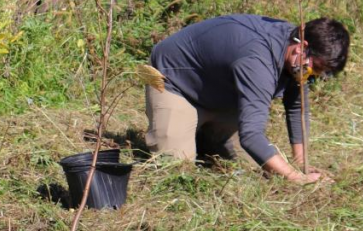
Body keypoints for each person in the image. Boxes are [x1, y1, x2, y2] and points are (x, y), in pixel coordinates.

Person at [141, 14, 350, 183]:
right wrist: (295, 178)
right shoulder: (258, 59)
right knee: (177, 172)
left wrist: (301, 161)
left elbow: (296, 107)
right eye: (318, 67)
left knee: (250, 169)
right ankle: (193, 131)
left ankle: (206, 136)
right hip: (176, 83)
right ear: (302, 46)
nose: (315, 75)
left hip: (220, 90)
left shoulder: (295, 54)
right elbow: (251, 135)